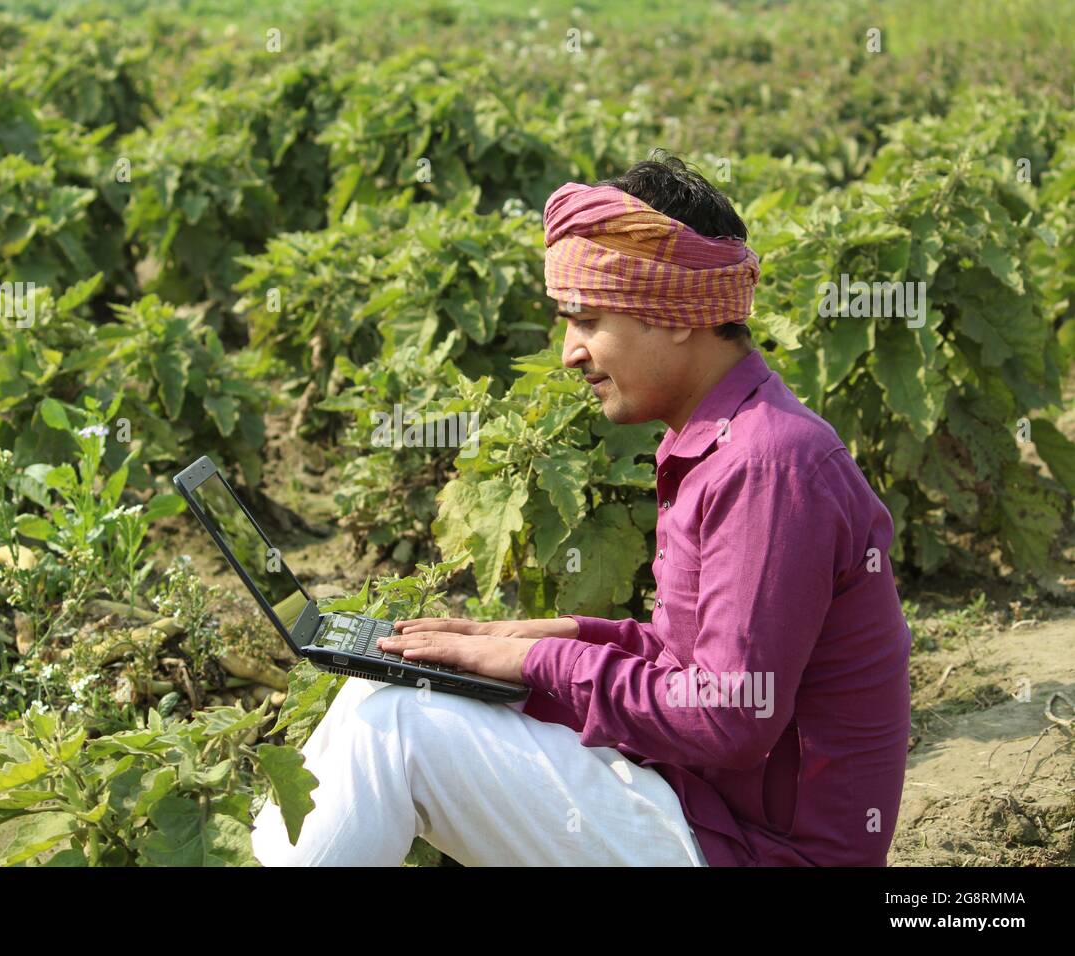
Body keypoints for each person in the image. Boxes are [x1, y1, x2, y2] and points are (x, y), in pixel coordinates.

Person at [250, 153, 912, 866]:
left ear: (677, 310)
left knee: (397, 727)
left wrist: (539, 661)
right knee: (374, 696)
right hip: (706, 812)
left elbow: (727, 715)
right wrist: (527, 636)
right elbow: (689, 660)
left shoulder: (768, 465)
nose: (570, 353)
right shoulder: (727, 438)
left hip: (748, 850)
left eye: (587, 319)